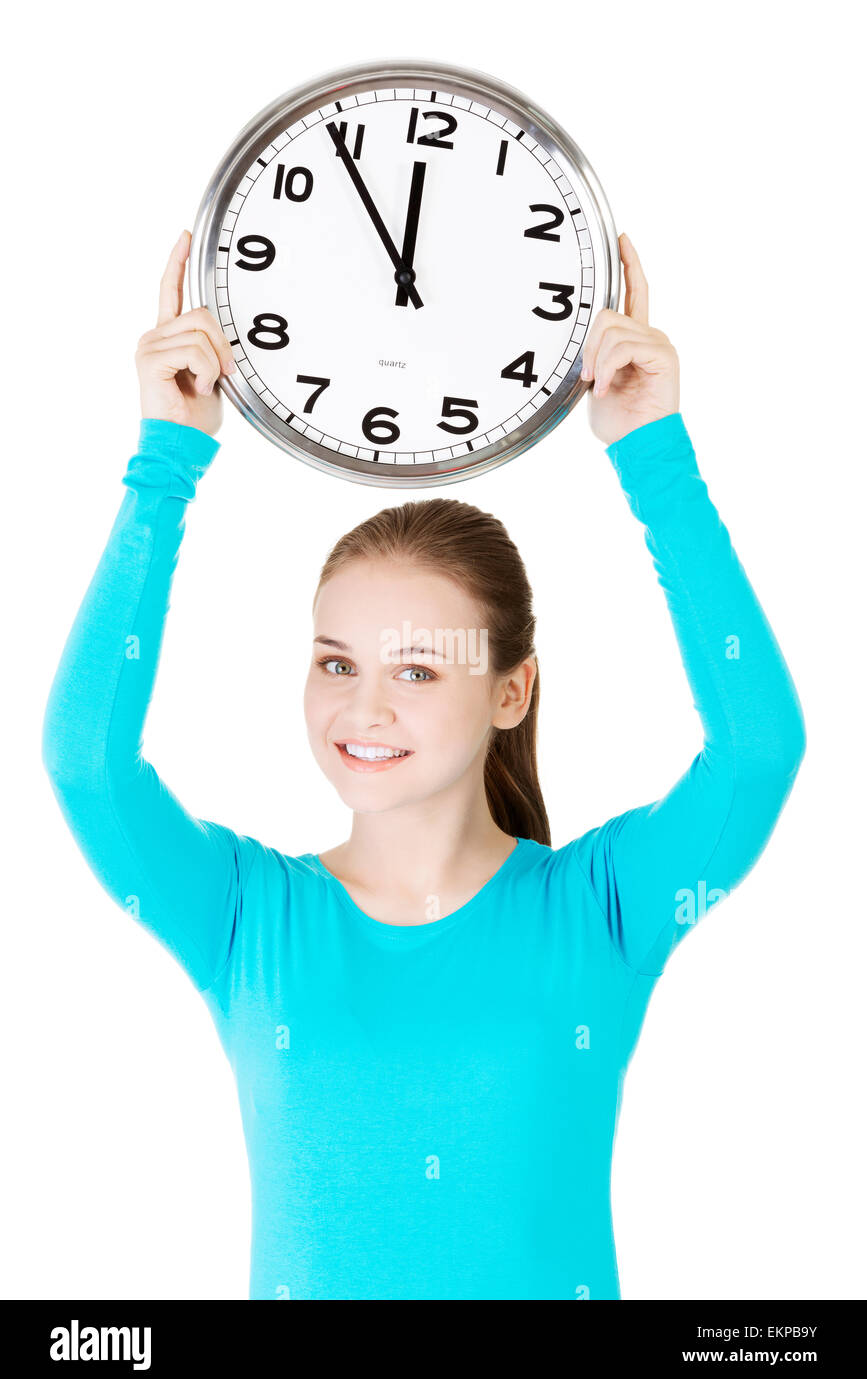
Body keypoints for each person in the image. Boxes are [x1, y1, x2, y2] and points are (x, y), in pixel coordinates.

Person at [41, 228, 806, 1300]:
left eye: (417, 670)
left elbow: (759, 750)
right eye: (337, 660)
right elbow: (86, 764)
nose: (363, 707)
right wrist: (166, 459)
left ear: (510, 690)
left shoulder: (603, 910)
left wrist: (654, 456)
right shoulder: (244, 914)